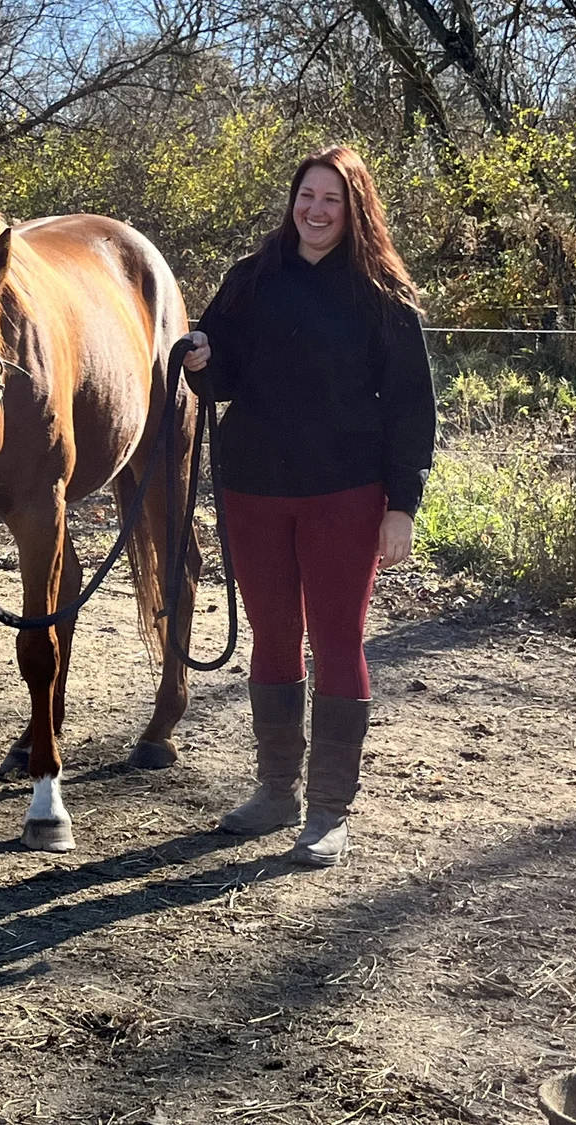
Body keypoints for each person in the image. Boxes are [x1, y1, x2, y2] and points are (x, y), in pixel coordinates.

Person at [184, 145, 436, 867]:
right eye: (307, 195)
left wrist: (402, 504)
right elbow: (221, 367)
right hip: (255, 488)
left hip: (347, 494)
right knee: (271, 632)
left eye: (332, 198)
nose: (316, 210)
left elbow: (412, 410)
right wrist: (202, 353)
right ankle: (274, 792)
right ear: (292, 200)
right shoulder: (252, 278)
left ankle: (327, 810)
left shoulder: (382, 295)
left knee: (336, 640)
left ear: (355, 208)